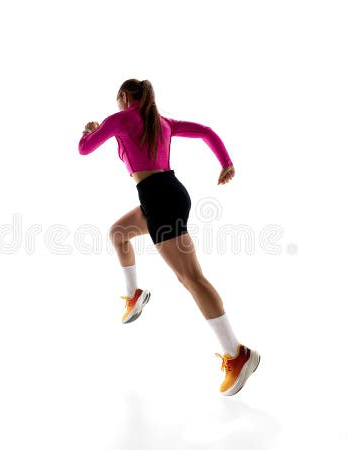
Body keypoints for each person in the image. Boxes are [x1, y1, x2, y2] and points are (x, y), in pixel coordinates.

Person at [77, 78, 260, 396]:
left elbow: (84, 149)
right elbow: (205, 131)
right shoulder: (163, 122)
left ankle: (237, 353)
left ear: (123, 97)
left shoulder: (120, 119)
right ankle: (134, 294)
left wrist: (88, 131)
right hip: (165, 194)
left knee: (191, 278)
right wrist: (226, 163)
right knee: (119, 233)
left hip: (158, 198)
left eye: (119, 100)